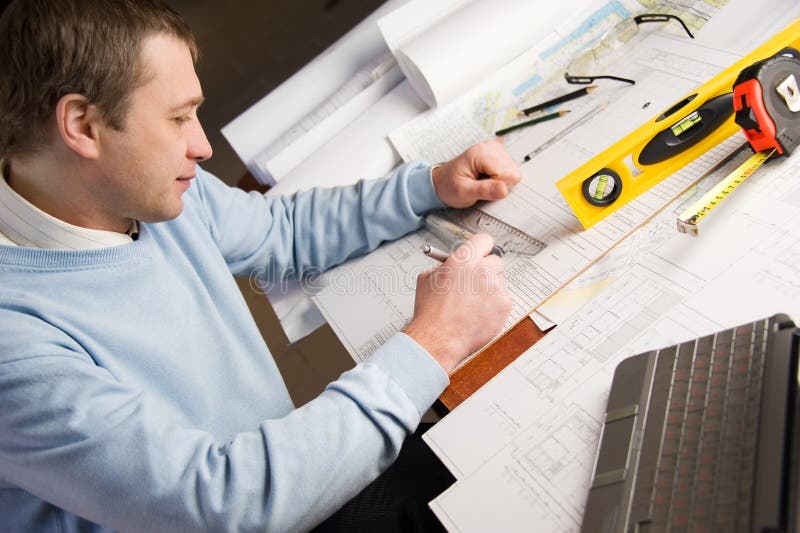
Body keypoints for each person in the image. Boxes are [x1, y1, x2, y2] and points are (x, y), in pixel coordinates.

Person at [0, 1, 521, 531]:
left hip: (289, 479)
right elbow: (222, 506)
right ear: (83, 125)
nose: (202, 147)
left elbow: (281, 232)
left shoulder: (142, 186)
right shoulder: (15, 349)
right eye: (178, 118)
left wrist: (428, 187)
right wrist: (435, 342)